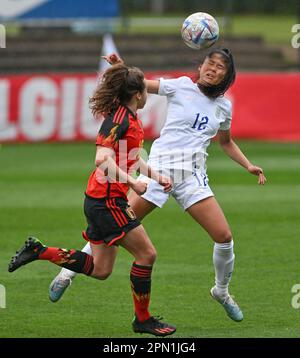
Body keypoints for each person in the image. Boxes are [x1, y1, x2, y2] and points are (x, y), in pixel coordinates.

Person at [48, 48, 267, 323]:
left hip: (192, 178)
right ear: (200, 67)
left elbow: (226, 142)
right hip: (157, 171)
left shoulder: (224, 106)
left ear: (227, 75)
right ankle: (68, 273)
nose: (212, 68)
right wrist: (121, 67)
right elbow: (140, 85)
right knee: (116, 226)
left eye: (220, 67)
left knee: (224, 237)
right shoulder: (181, 86)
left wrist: (247, 164)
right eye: (209, 63)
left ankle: (221, 291)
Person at [8, 63, 177, 337]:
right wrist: (133, 182)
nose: (148, 94)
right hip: (108, 201)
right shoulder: (119, 120)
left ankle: (40, 251)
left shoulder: (129, 118)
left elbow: (129, 157)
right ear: (136, 93)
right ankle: (143, 320)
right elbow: (101, 160)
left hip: (99, 199)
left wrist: (156, 176)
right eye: (145, 89)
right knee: (147, 255)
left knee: (100, 270)